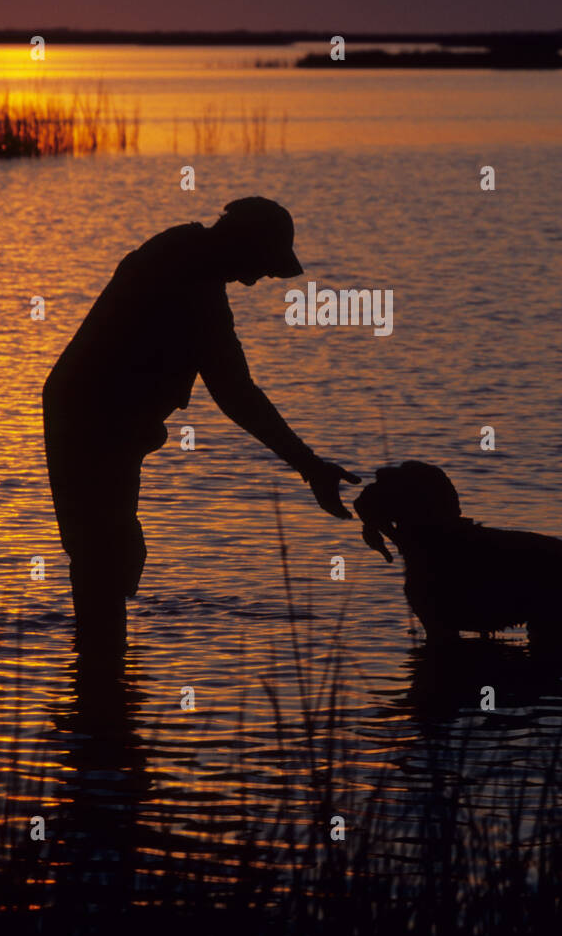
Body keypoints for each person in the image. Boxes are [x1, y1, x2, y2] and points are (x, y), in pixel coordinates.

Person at [43, 197, 359, 658]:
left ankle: (103, 683)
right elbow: (236, 393)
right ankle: (102, 676)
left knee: (111, 554)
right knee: (106, 553)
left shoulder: (189, 259)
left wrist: (310, 466)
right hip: (90, 423)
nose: (258, 278)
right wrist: (309, 467)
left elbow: (232, 389)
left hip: (110, 426)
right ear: (243, 242)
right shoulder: (190, 281)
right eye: (262, 264)